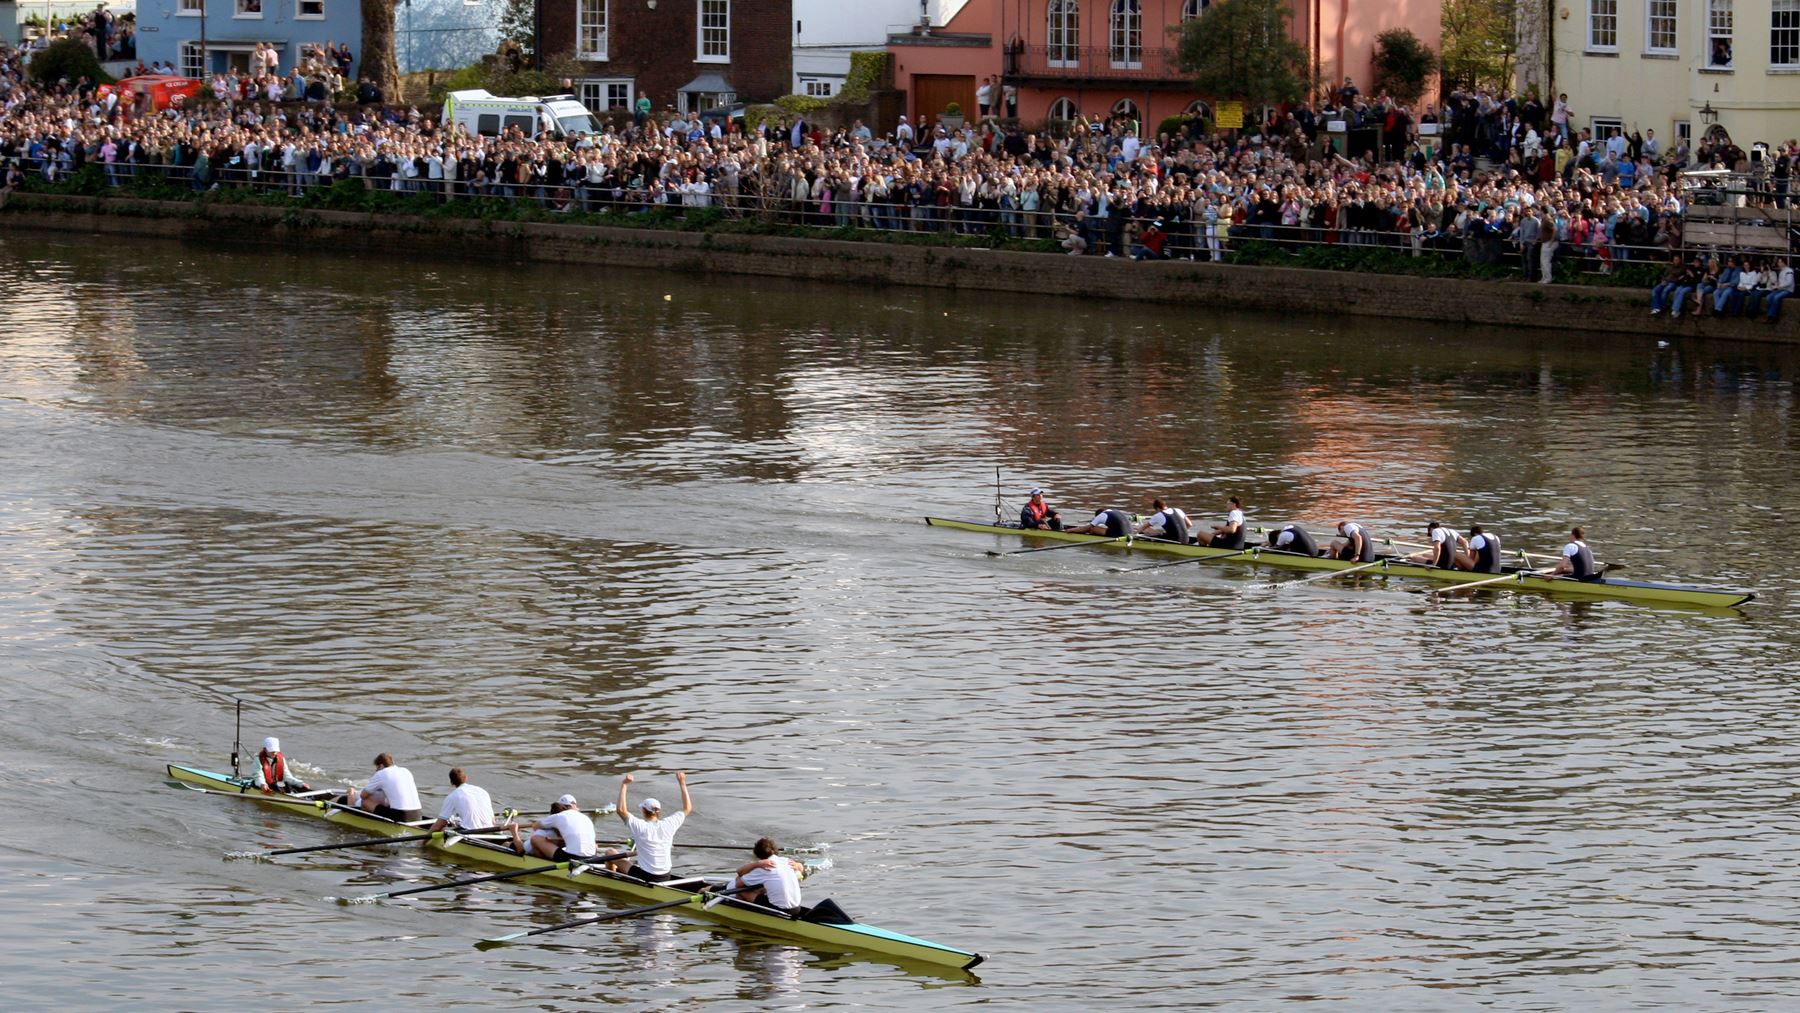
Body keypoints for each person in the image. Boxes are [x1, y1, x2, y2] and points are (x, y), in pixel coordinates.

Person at [615, 772, 691, 883]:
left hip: (647, 877)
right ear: (658, 812)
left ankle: (614, 880)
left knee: (610, 853)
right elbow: (687, 808)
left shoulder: (640, 826)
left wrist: (624, 784)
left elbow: (620, 810)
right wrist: (682, 783)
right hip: (665, 875)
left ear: (643, 811)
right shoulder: (669, 824)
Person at [511, 793, 596, 860]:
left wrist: (514, 832)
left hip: (572, 858)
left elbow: (536, 826)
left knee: (535, 839)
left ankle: (540, 862)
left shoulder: (559, 816)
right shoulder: (586, 818)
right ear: (574, 805)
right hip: (592, 857)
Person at [731, 837, 805, 913]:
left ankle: (741, 913)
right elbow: (801, 872)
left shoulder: (764, 867)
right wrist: (799, 865)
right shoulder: (787, 862)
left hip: (781, 910)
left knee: (741, 891)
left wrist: (757, 864)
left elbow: (738, 884)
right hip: (796, 908)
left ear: (756, 854)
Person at [342, 753, 422, 822]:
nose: (376, 771)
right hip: (418, 815)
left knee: (366, 802)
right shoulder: (406, 771)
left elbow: (363, 796)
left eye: (376, 768)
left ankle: (357, 818)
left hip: (401, 815)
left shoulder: (382, 773)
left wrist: (351, 792)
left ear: (381, 766)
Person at [428, 767, 495, 835]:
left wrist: (422, 842)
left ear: (451, 783)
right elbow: (493, 820)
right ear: (466, 778)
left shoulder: (452, 796)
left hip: (471, 833)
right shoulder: (483, 791)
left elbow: (440, 824)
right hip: (490, 831)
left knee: (443, 829)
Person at [1066, 508, 1132, 537]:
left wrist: (1072, 530)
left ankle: (1091, 537)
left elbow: (1086, 528)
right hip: (1130, 532)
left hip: (1120, 534)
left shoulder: (1100, 516)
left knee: (1091, 529)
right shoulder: (1114, 510)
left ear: (1097, 516)